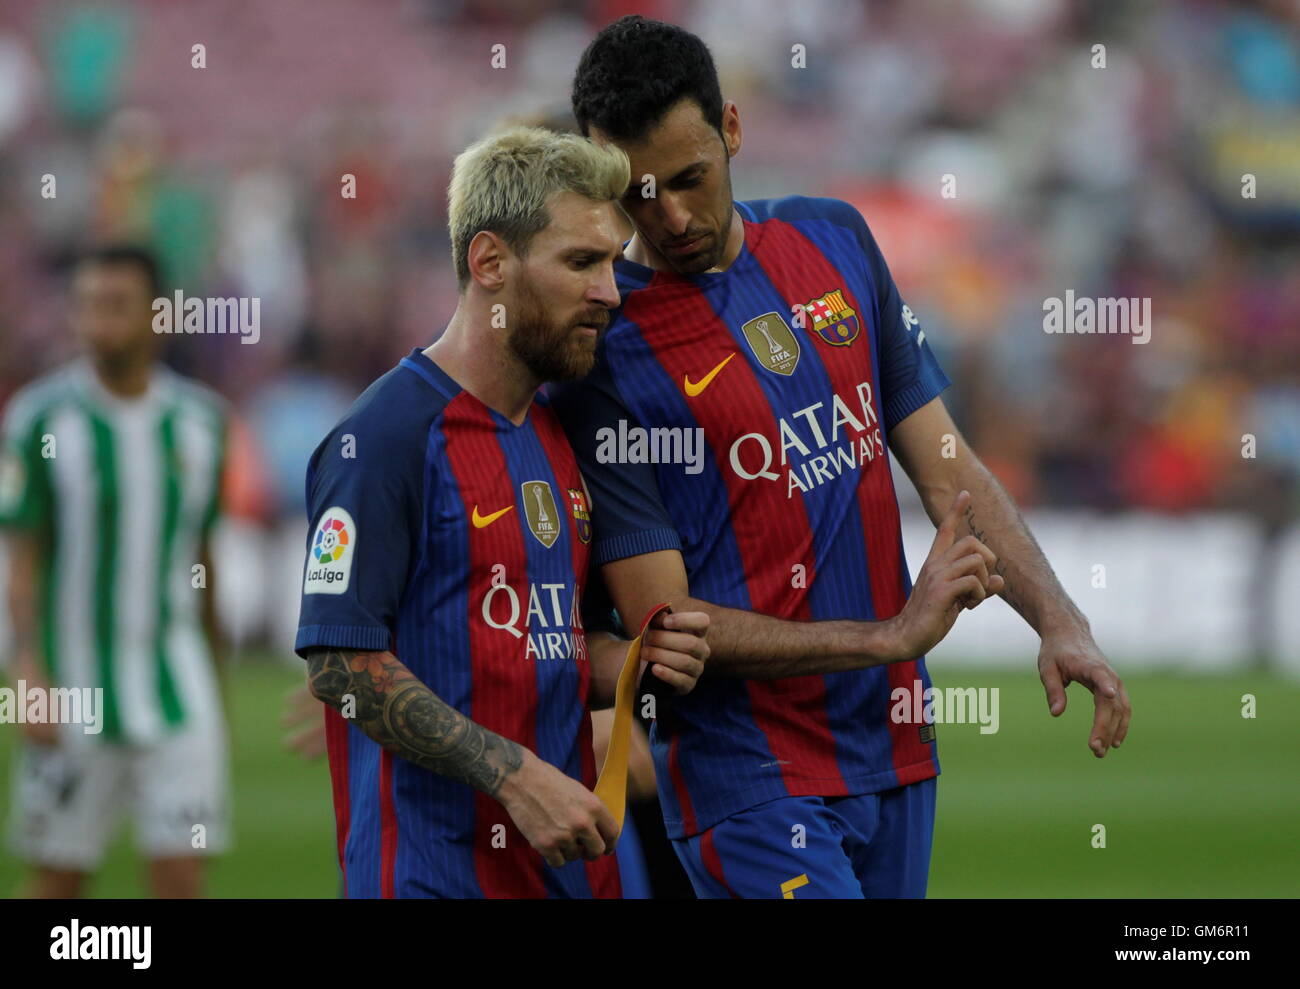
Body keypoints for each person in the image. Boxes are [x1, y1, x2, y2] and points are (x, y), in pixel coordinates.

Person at [551, 16, 1133, 899]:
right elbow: (662, 622)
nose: (668, 216)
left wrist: (1057, 618)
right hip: (745, 776)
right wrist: (890, 636)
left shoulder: (834, 241)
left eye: (689, 179)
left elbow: (949, 467)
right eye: (636, 193)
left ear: (733, 129)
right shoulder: (603, 353)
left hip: (894, 741)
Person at [294, 125, 710, 899]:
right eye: (581, 262)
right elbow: (339, 665)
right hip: (433, 876)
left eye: (612, 265)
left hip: (568, 876)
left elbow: (533, 639)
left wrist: (633, 662)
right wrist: (516, 777)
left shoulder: (556, 434)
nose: (610, 293)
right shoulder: (383, 439)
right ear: (489, 262)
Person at [0, 244, 231, 898]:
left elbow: (203, 558)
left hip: (176, 683)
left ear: (159, 316)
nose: (98, 323)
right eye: (87, 306)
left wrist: (213, 675)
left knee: (182, 879)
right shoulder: (40, 418)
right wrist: (27, 672)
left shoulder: (202, 422)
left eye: (116, 306)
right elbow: (23, 558)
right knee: (58, 878)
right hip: (74, 681)